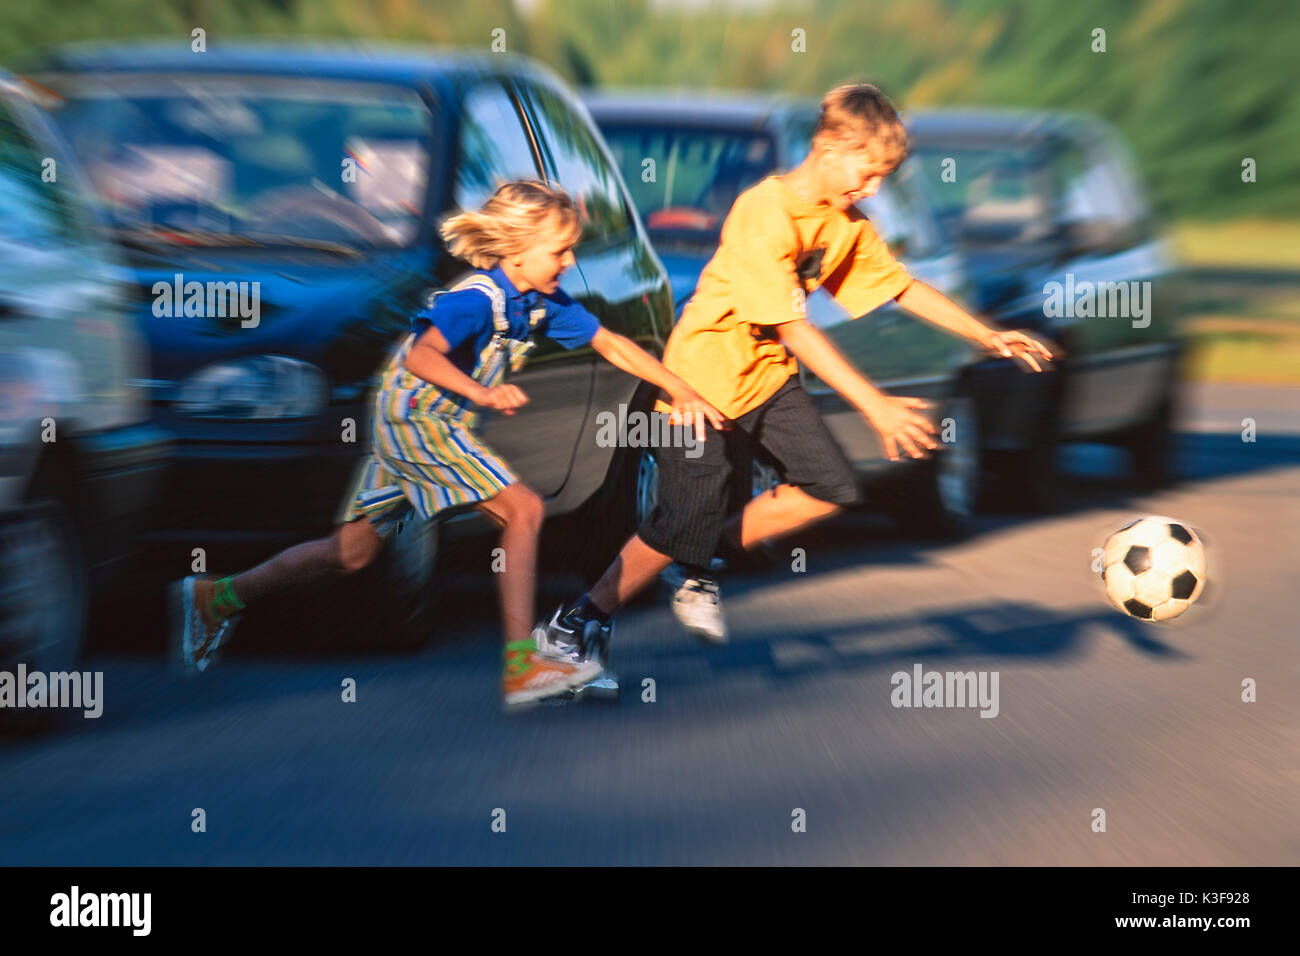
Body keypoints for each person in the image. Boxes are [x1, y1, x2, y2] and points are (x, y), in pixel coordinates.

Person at [536, 82, 1053, 665]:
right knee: (684, 513)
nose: (874, 188)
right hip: (701, 381)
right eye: (869, 172)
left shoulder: (845, 223)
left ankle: (697, 558)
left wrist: (985, 335)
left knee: (831, 487)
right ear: (831, 147)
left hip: (766, 379)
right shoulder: (767, 211)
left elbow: (900, 286)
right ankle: (574, 623)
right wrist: (875, 404)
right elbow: (793, 328)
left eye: (883, 177)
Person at [169, 180, 724, 708]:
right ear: (517, 249)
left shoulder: (539, 301)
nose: (570, 262)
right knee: (523, 509)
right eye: (560, 250)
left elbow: (614, 346)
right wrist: (479, 396)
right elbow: (421, 356)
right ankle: (520, 666)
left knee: (352, 553)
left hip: (413, 418)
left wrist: (683, 391)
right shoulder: (476, 299)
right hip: (417, 417)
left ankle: (216, 598)